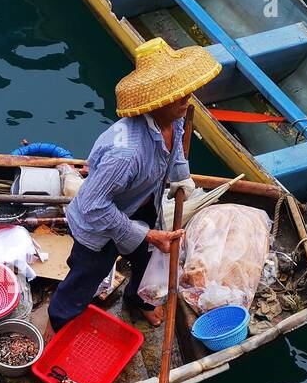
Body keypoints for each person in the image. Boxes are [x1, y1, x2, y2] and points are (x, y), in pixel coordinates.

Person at [45, 38, 222, 334]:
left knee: (146, 260)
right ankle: (60, 322)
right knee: (86, 278)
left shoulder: (174, 117)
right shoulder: (126, 153)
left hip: (142, 205)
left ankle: (138, 300)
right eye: (177, 95)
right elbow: (93, 206)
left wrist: (181, 177)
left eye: (185, 92)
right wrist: (151, 235)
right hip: (97, 227)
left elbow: (176, 147)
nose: (186, 99)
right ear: (156, 102)